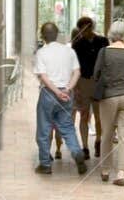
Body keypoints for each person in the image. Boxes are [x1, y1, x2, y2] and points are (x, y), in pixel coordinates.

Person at [33, 21, 88, 175]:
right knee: (67, 127)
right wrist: (67, 89)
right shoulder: (69, 51)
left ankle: (45, 164)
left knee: (44, 129)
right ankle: (77, 152)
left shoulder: (41, 53)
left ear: (43, 36)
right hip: (66, 93)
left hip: (49, 94)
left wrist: (56, 92)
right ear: (57, 34)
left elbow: (43, 76)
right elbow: (77, 72)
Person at [92, 21, 124, 185]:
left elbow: (96, 73)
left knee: (107, 134)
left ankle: (105, 170)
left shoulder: (104, 52)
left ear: (111, 34)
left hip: (109, 96)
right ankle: (121, 174)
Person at [70, 15, 108, 159]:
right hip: (83, 82)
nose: (85, 32)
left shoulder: (103, 41)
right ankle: (85, 146)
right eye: (82, 29)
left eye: (87, 28)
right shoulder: (77, 45)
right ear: (79, 30)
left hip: (98, 82)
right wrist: (76, 88)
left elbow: (106, 63)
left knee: (99, 116)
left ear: (92, 27)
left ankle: (98, 141)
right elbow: (75, 68)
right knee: (84, 116)